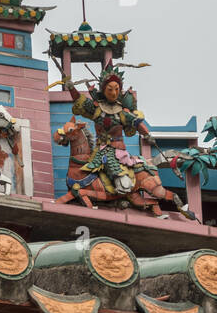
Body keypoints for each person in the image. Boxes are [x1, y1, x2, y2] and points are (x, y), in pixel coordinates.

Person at [62, 68, 197, 221]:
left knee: (122, 181)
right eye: (109, 89)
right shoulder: (96, 108)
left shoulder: (122, 113)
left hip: (117, 152)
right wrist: (71, 87)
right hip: (100, 152)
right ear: (103, 90)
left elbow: (137, 123)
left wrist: (147, 135)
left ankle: (123, 197)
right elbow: (80, 100)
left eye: (116, 89)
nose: (113, 93)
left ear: (120, 91)